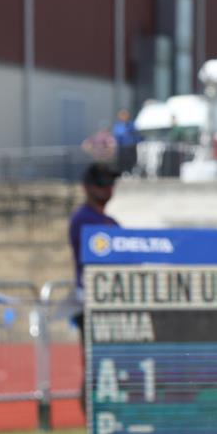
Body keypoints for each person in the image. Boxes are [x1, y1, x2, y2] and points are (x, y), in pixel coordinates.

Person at [68, 163, 120, 406]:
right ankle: (92, 425)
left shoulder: (109, 221)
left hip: (114, 301)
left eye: (111, 183)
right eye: (102, 183)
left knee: (110, 365)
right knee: (95, 365)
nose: (108, 188)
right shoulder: (84, 219)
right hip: (91, 301)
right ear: (88, 187)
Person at [112, 109, 141, 176]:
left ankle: (133, 171)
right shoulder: (118, 126)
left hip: (131, 145)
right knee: (123, 159)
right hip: (122, 146)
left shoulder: (131, 125)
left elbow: (137, 134)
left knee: (132, 159)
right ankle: (125, 171)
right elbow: (118, 135)